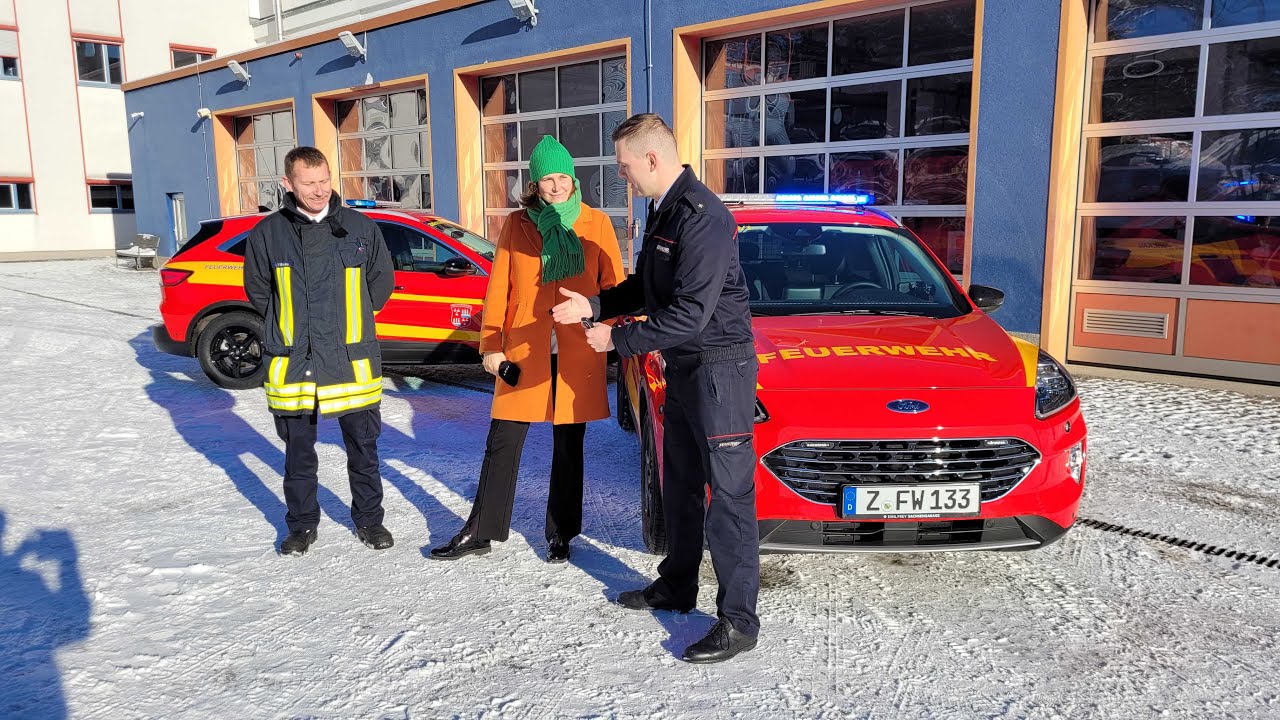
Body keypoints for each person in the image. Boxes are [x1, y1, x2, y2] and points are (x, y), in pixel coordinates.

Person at [552, 114, 760, 663]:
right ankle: (676, 585)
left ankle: (738, 621)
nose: (623, 177)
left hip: (721, 371)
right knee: (681, 486)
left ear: (652, 159)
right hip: (684, 368)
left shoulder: (703, 217)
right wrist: (593, 306)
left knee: (731, 501)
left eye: (624, 167)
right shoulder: (663, 210)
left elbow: (692, 312)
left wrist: (617, 341)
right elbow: (645, 289)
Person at [430, 135, 624, 563]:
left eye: (562, 178)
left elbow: (614, 288)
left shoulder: (597, 223)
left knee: (569, 445)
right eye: (546, 180)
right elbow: (499, 288)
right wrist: (490, 345)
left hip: (577, 349)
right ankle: (481, 529)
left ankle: (562, 533)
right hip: (523, 348)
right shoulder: (517, 226)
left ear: (574, 180)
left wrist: (607, 329)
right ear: (534, 185)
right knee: (503, 439)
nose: (555, 187)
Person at [243, 146, 396, 556]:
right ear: (287, 184)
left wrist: (351, 323)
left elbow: (380, 286)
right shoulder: (267, 234)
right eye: (308, 183)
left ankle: (369, 521)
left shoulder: (361, 229)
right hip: (295, 361)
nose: (319, 190)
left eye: (324, 180)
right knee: (298, 457)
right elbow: (260, 292)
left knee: (363, 450)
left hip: (351, 359)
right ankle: (301, 526)